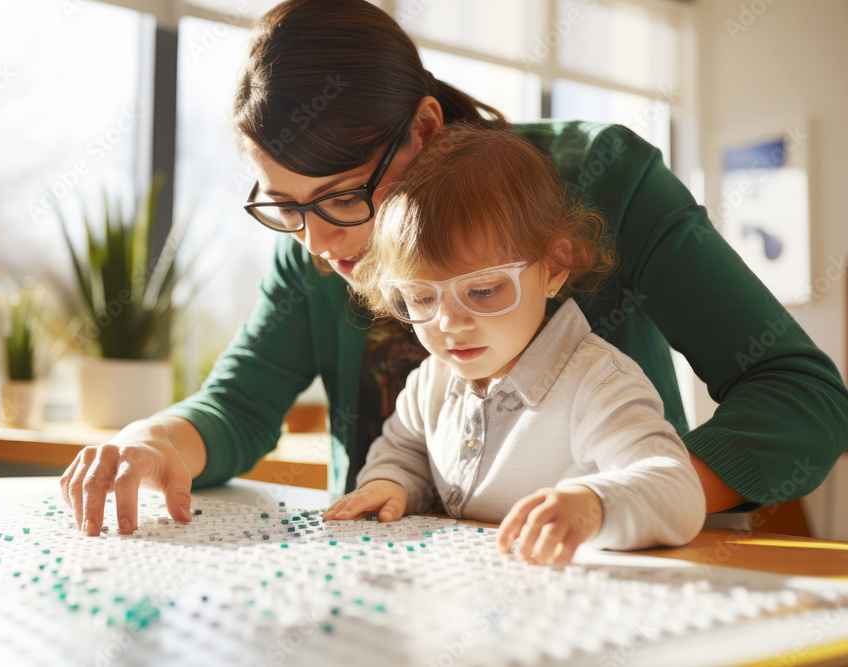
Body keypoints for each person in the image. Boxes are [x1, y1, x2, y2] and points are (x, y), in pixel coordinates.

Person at [60, 0, 848, 537]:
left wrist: (631, 499)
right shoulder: (313, 241)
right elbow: (236, 408)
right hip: (395, 594)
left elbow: (803, 397)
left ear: (425, 127)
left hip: (598, 579)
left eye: (342, 196)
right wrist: (151, 439)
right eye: (287, 206)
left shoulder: (600, 178)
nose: (318, 243)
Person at [320, 126, 706, 564]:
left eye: (483, 290)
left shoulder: (597, 384)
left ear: (554, 267)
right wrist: (390, 483)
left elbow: (677, 490)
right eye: (421, 298)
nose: (448, 322)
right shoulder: (433, 379)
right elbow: (404, 450)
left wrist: (593, 505)